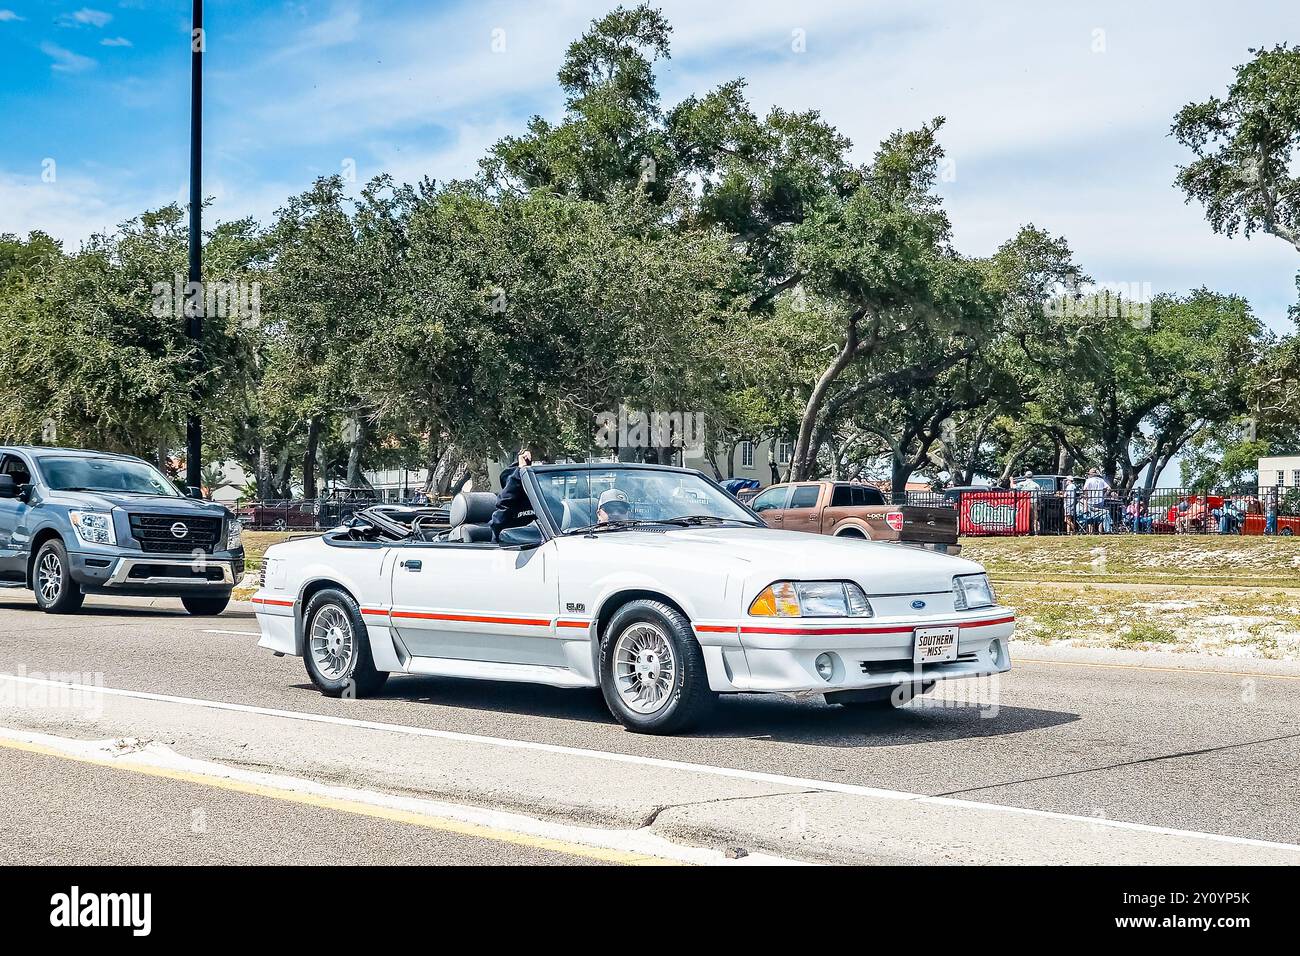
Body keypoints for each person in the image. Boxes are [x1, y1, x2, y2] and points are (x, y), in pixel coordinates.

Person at [489, 450, 538, 540]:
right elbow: (505, 502)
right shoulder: (504, 511)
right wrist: (520, 471)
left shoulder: (537, 503)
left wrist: (527, 471)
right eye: (521, 481)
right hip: (507, 550)